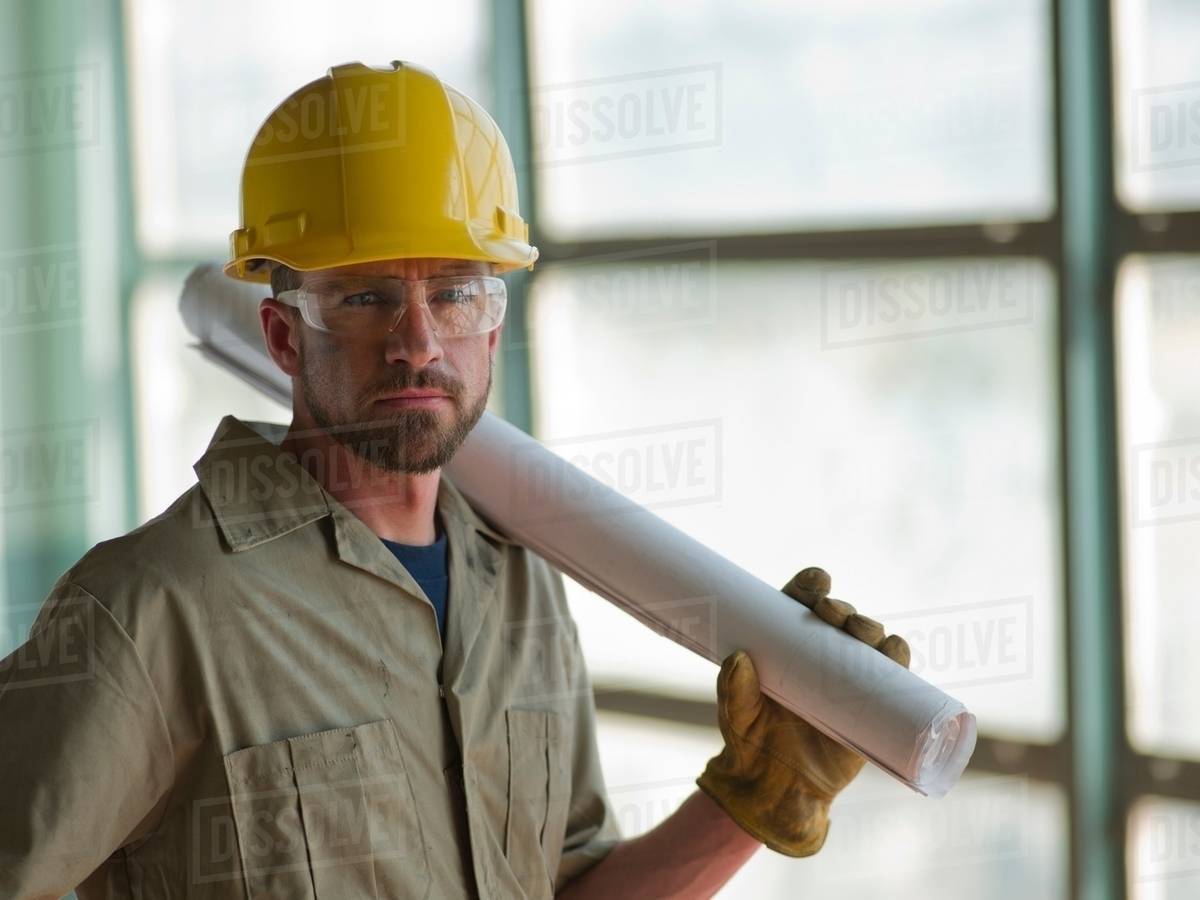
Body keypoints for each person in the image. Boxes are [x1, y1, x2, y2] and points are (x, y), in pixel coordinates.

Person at [0, 61, 910, 899]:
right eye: (364, 297)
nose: (419, 340)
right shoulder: (151, 609)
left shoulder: (521, 582)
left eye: (454, 292)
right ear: (282, 337)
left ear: (493, 327)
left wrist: (749, 804)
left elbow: (564, 884)